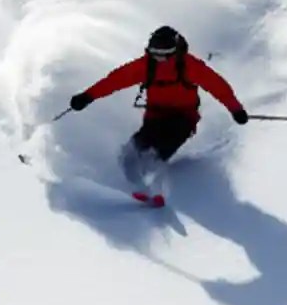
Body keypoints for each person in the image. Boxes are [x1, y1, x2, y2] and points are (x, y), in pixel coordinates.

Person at [69, 26, 248, 192]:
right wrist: (87, 96)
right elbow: (114, 81)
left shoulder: (190, 66)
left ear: (175, 51)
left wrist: (236, 110)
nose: (159, 59)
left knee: (164, 145)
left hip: (184, 116)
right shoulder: (146, 65)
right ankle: (125, 182)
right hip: (156, 114)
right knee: (138, 145)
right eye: (155, 54)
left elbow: (218, 87)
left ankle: (154, 181)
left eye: (164, 55)